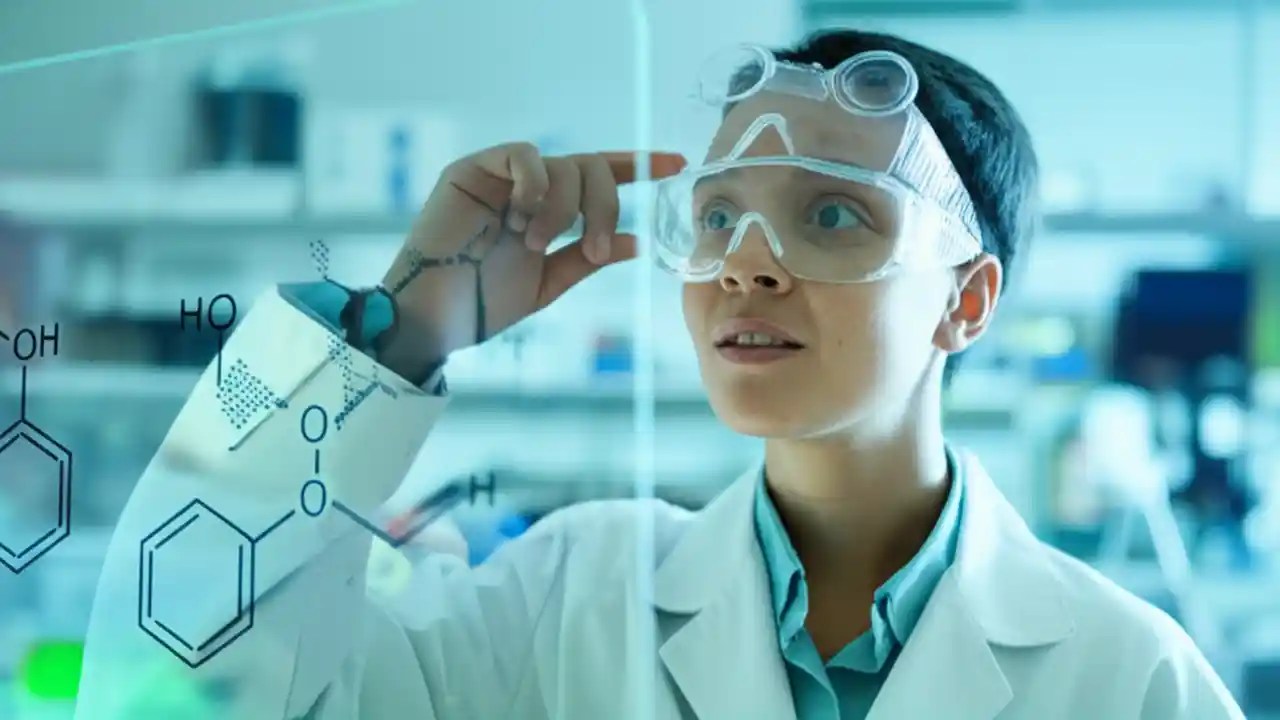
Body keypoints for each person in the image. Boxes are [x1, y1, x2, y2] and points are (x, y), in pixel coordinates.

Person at [76, 29, 1245, 719]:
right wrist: (394, 337)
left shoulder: (1127, 675)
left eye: (831, 215)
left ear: (965, 300)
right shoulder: (564, 600)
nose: (745, 266)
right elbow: (168, 687)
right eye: (719, 216)